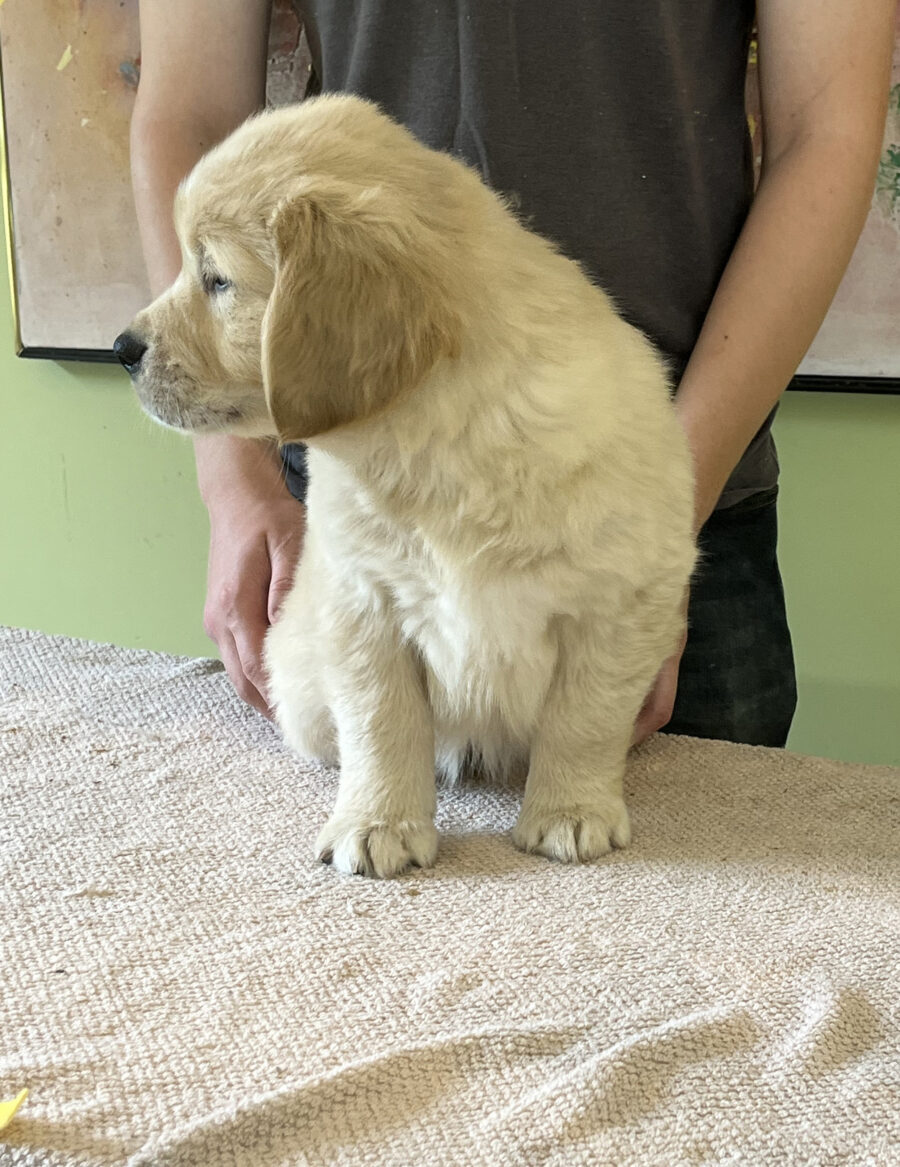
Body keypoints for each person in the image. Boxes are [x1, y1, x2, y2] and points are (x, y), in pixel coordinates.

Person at [130, 0, 895, 746]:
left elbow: (822, 131)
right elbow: (190, 112)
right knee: (356, 823)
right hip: (357, 506)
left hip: (671, 493)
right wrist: (235, 481)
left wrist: (655, 525)